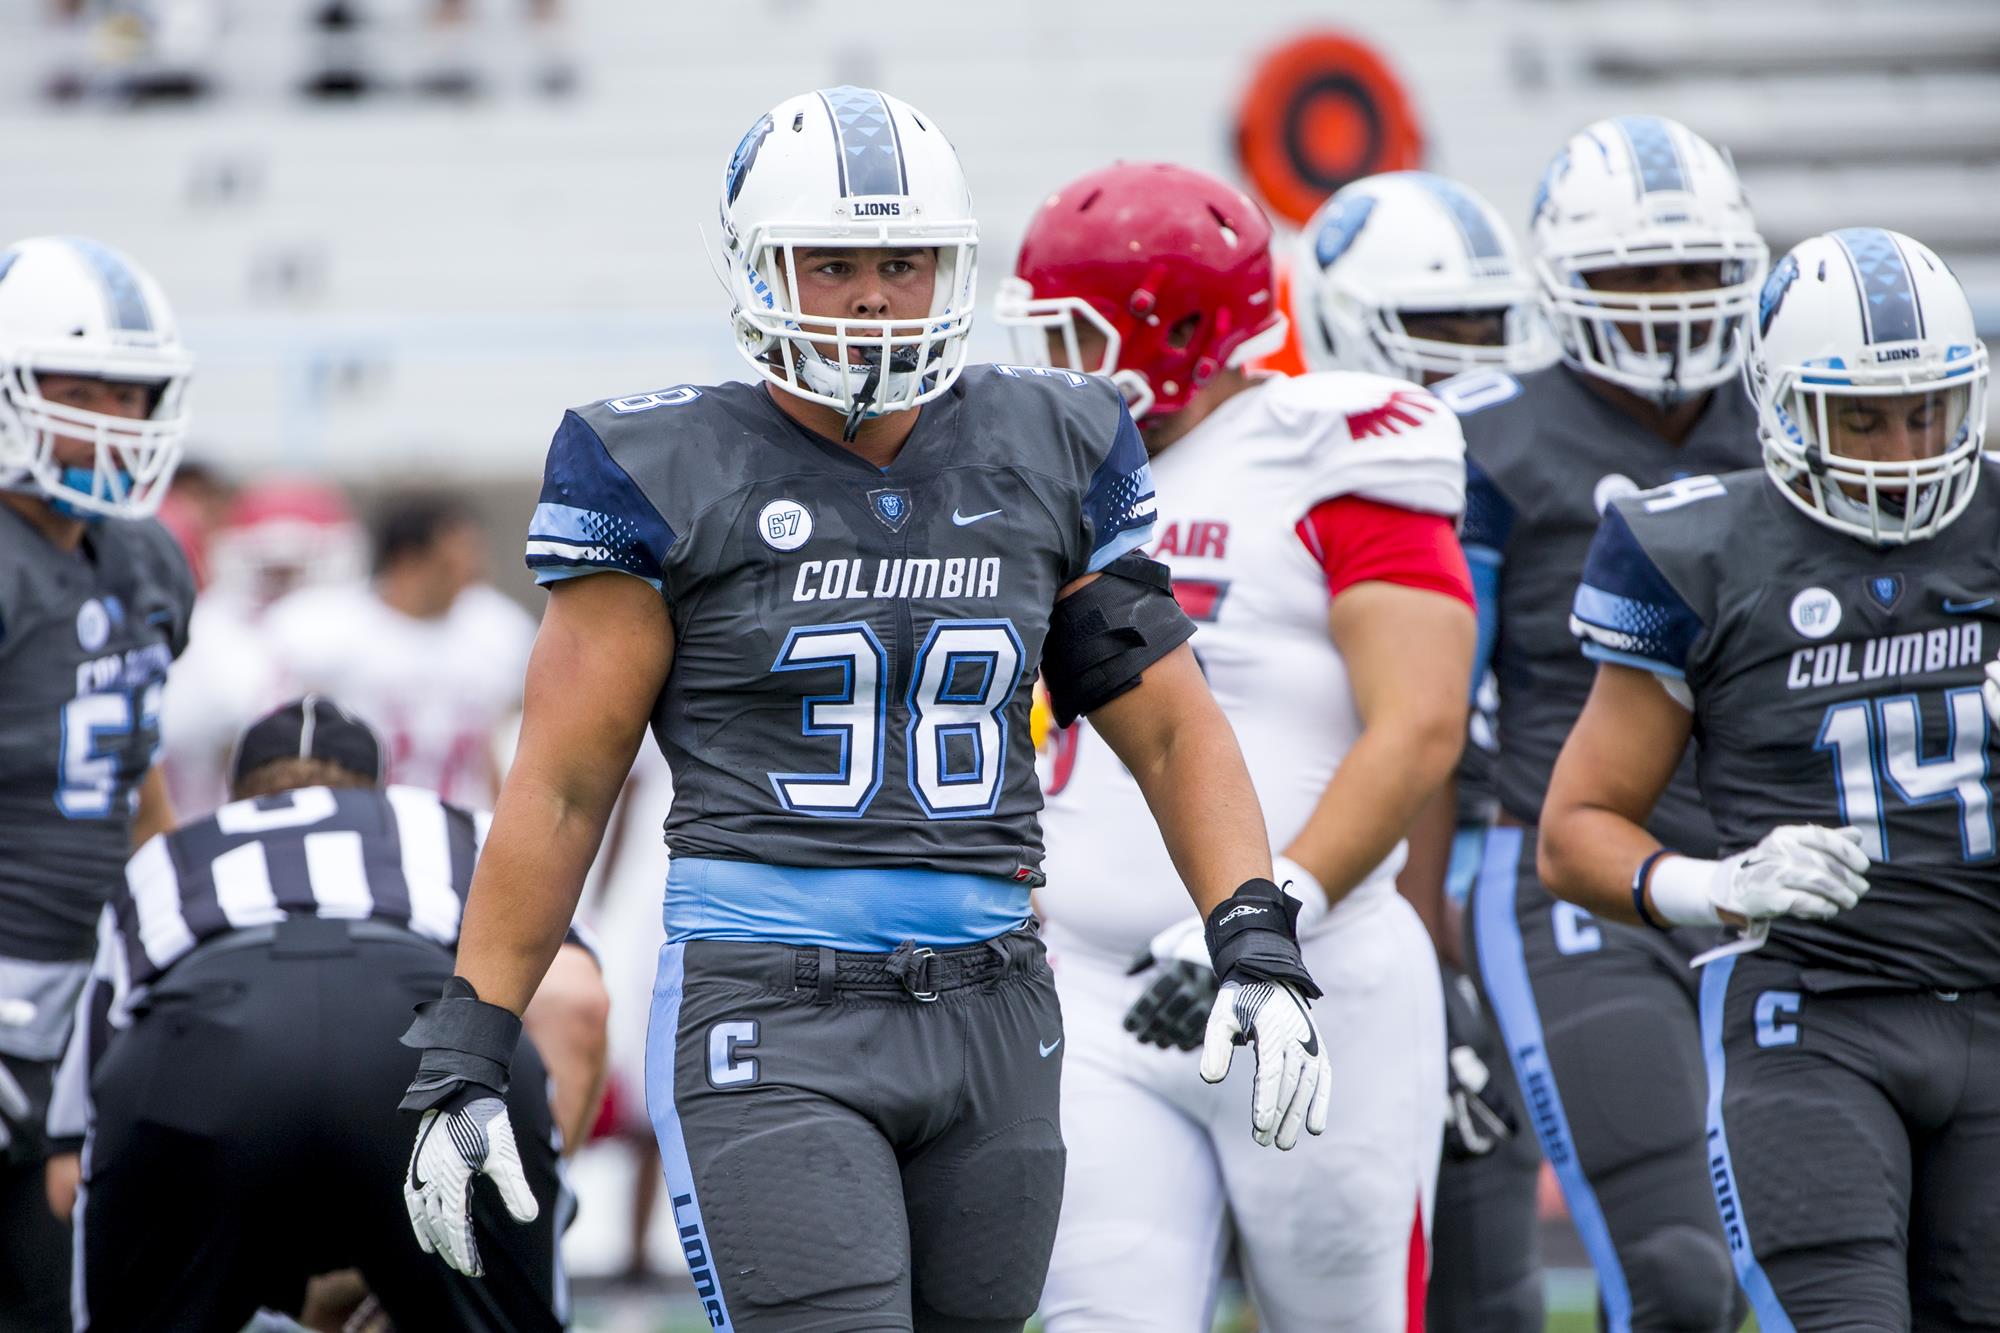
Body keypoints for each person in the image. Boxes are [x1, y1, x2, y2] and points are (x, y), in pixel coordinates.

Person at [396, 87, 1332, 1333]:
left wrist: (1249, 930)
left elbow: (1166, 723)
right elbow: (563, 786)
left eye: (903, 261)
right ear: (755, 270)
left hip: (996, 998)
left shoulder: (1048, 439)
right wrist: (471, 1038)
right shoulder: (658, 466)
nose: (873, 297)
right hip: (767, 1001)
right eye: (829, 264)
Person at [998, 161, 1466, 1331]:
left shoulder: (1331, 446)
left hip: (1318, 981)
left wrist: (1267, 917)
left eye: (1076, 333)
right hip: (1095, 992)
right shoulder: (1045, 473)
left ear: (1179, 330)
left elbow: (1419, 724)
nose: (1052, 364)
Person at [1544, 227, 1995, 1332]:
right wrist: (1721, 883)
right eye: (1860, 417)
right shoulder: (1699, 548)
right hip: (1813, 1025)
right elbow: (1573, 831)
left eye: (1925, 411)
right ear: (1780, 405)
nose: (1898, 447)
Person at [1445, 115, 1770, 1331]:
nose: (1670, 303)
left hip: (1789, 881)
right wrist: (1431, 942)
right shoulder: (1488, 432)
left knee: (1831, 1275)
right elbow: (1433, 714)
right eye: (1636, 273)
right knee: (1677, 1278)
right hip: (1582, 882)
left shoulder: (1798, 414)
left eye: (1694, 271)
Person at [46, 696, 608, 1331]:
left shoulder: (170, 860)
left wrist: (271, 1278)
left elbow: (70, 1178)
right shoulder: (454, 829)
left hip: (200, 1039)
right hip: (416, 1030)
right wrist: (509, 1197)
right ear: (378, 794)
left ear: (239, 801)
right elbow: (576, 1005)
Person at [1289, 168, 1549, 1333]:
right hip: (1311, 911)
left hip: (1468, 897)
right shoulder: (1280, 469)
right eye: (1440, 332)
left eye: (1488, 329)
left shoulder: (1510, 482)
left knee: (1484, 1266)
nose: (1472, 362)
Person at [0, 234, 196, 1331]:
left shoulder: (146, 559)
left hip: (92, 991)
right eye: (77, 393)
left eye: (130, 396)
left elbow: (136, 768)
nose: (112, 425)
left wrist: (168, 936)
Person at [263, 490, 533, 808]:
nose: (473, 565)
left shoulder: (499, 630)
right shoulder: (329, 631)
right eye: (457, 554)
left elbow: (493, 748)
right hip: (365, 827)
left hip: (462, 832)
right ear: (409, 559)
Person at [158, 476, 367, 816]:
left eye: (296, 569)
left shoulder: (359, 627)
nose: (283, 584)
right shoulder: (213, 630)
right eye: (272, 570)